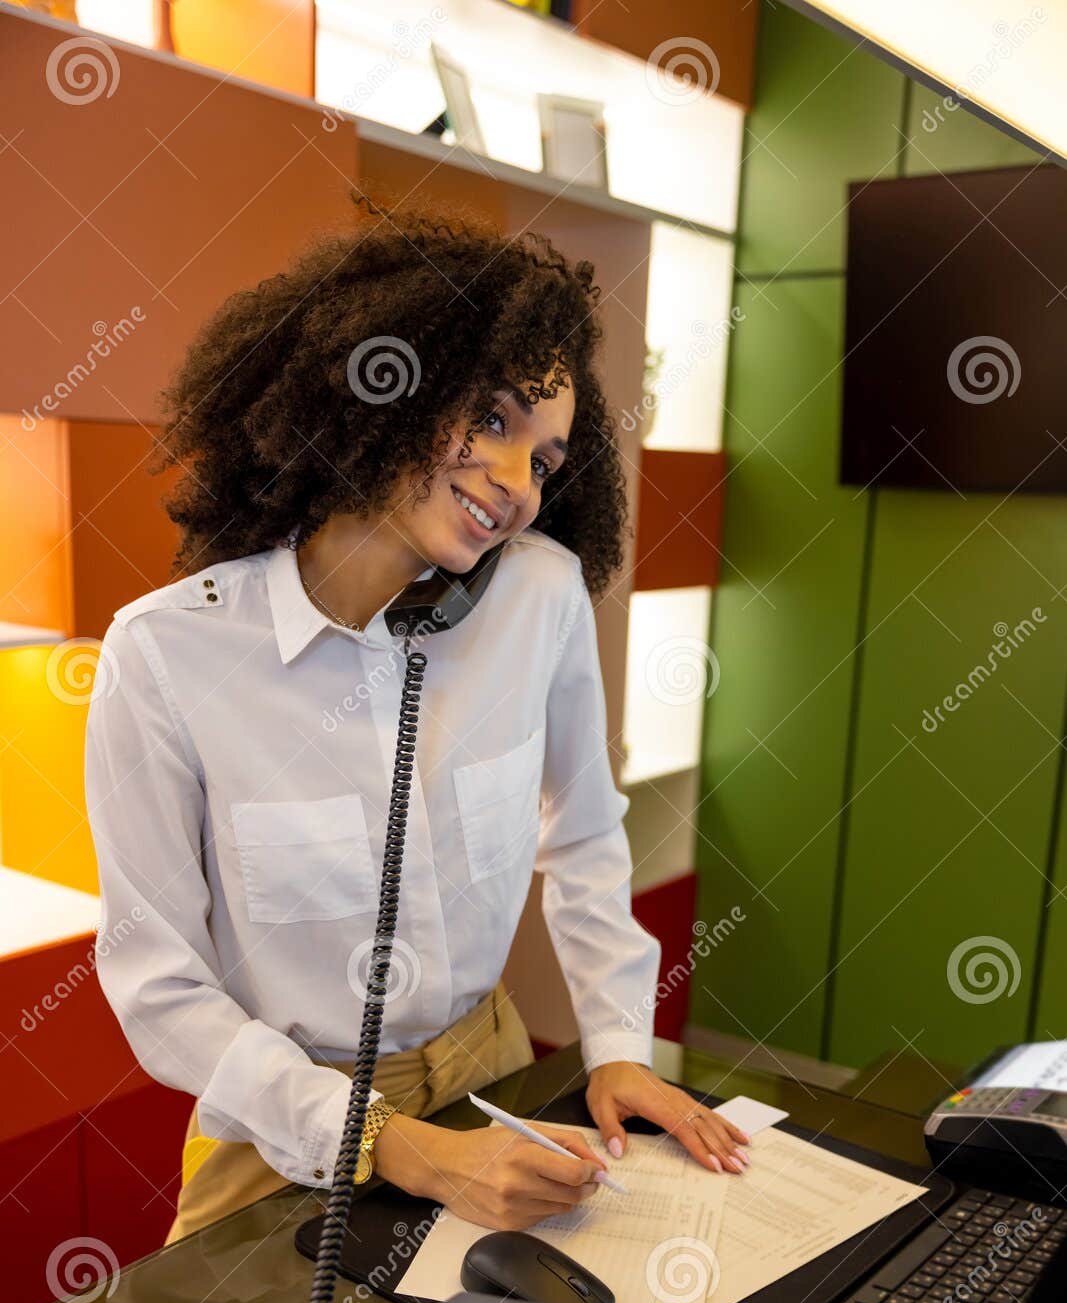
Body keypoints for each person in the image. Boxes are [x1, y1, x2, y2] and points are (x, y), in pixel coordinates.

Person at [84, 192, 750, 1246]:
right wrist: (397, 1143)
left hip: (489, 1078)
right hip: (285, 1125)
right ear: (384, 386)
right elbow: (159, 984)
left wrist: (615, 1043)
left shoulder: (537, 594)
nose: (514, 482)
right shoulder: (166, 655)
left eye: (544, 456)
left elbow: (579, 833)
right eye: (490, 417)